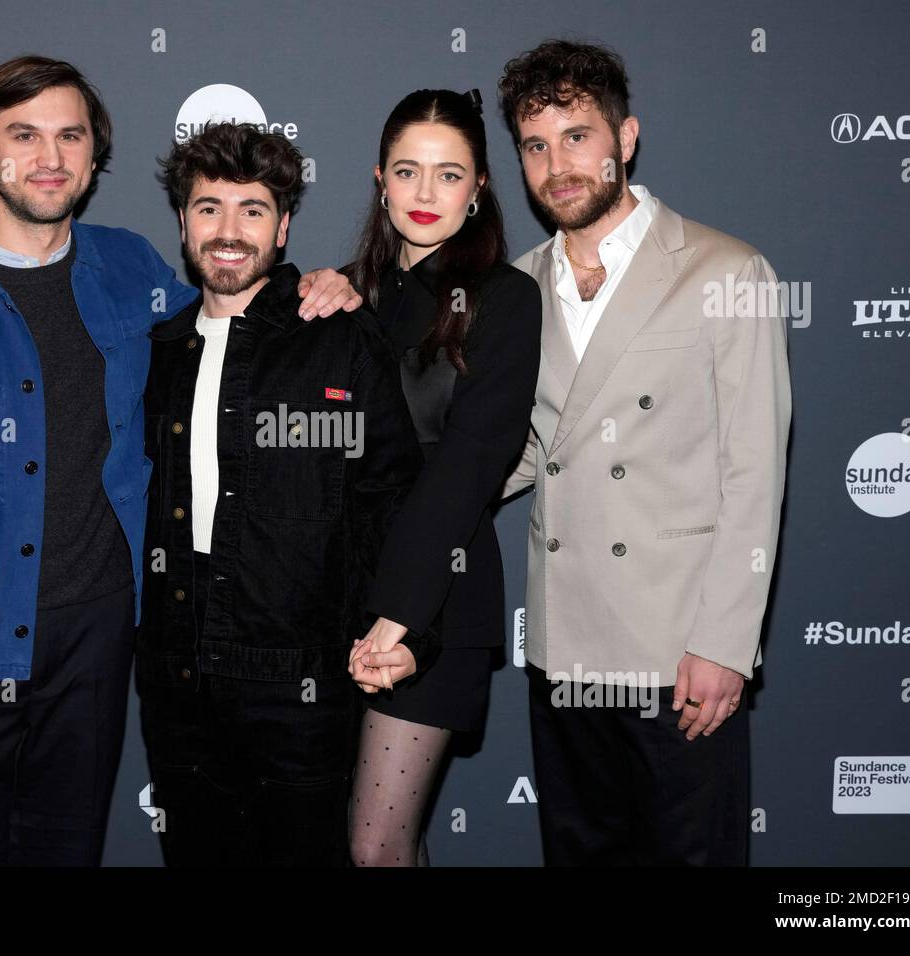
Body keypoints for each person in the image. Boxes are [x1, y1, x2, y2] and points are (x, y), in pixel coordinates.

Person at [0, 55, 356, 866]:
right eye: (24, 135)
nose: (49, 156)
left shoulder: (131, 270)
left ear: (93, 154)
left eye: (69, 135)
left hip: (99, 642)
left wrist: (318, 287)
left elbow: (234, 314)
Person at [498, 39, 792, 865]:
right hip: (564, 649)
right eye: (535, 144)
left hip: (678, 654)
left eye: (577, 135)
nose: (559, 164)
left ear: (626, 138)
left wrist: (726, 646)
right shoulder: (518, 287)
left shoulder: (724, 269)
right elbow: (526, 448)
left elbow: (755, 468)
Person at [136, 121, 428, 866]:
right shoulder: (162, 350)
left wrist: (404, 632)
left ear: (285, 225)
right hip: (179, 684)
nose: (229, 231)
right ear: (182, 220)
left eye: (253, 210)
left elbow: (392, 501)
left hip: (300, 690)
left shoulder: (337, 337)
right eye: (209, 209)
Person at [344, 90, 543, 866]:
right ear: (380, 180)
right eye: (408, 171)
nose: (426, 195)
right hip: (337, 592)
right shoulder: (348, 296)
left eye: (449, 174)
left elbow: (471, 465)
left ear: (479, 187)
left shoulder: (505, 298)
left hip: (437, 594)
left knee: (377, 846)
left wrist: (398, 614)